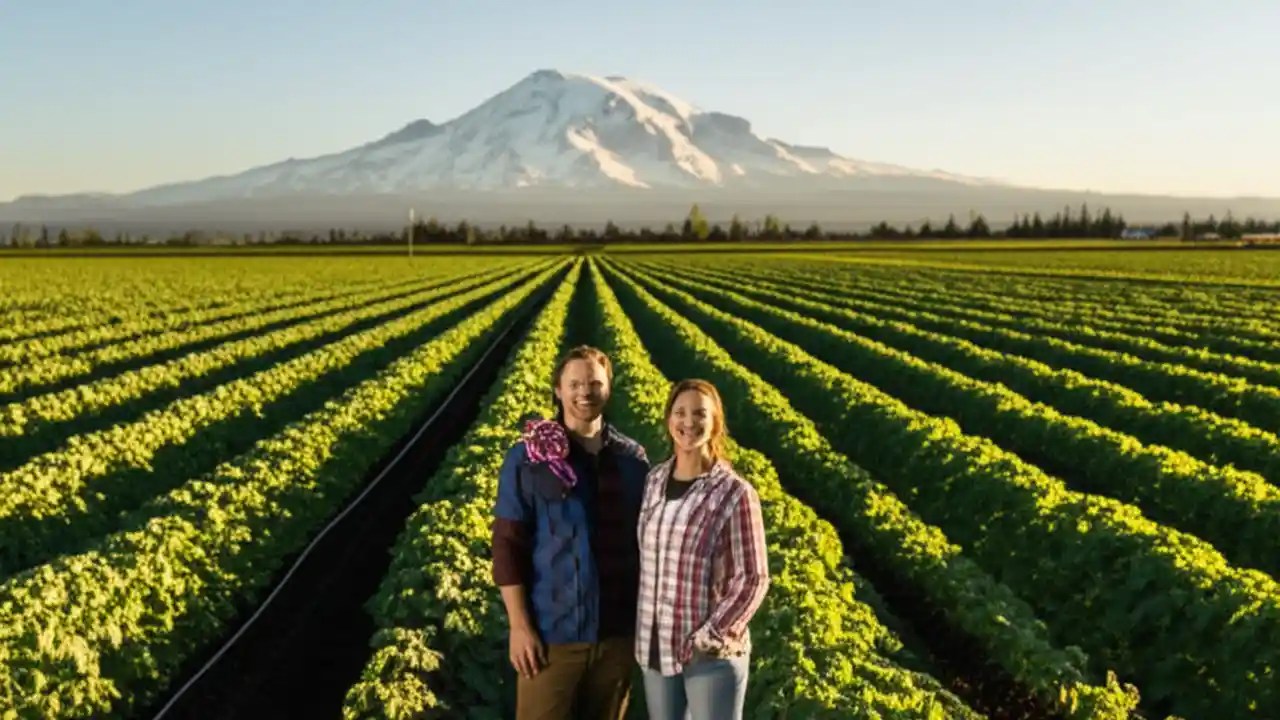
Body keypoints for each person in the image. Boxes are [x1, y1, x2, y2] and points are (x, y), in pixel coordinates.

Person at [491, 345, 651, 720]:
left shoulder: (633, 461)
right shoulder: (528, 459)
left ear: (608, 388)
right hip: (552, 636)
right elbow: (507, 546)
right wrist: (520, 627)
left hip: (616, 636)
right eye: (575, 383)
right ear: (558, 390)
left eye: (595, 383)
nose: (585, 392)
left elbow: (647, 546)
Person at [635, 379, 769, 720]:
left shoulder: (735, 492)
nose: (688, 422)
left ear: (716, 423)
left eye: (700, 414)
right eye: (680, 413)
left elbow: (753, 577)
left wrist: (710, 636)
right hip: (656, 645)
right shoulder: (654, 481)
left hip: (708, 657)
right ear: (669, 420)